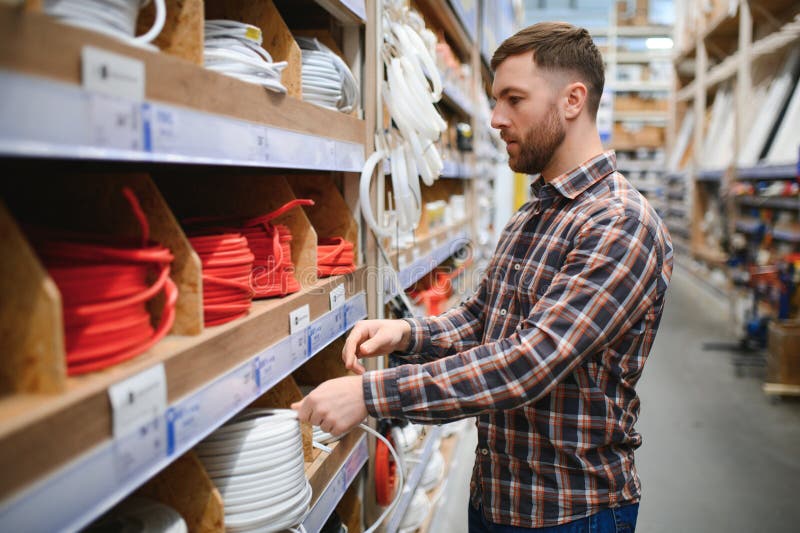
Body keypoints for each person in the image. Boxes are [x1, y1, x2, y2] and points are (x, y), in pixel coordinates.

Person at [292, 21, 673, 532]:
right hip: (499, 498)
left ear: (573, 100)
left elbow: (527, 363)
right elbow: (482, 320)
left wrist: (370, 396)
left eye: (514, 99)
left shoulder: (619, 222)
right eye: (496, 100)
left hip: (569, 512)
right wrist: (407, 333)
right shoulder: (535, 212)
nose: (495, 118)